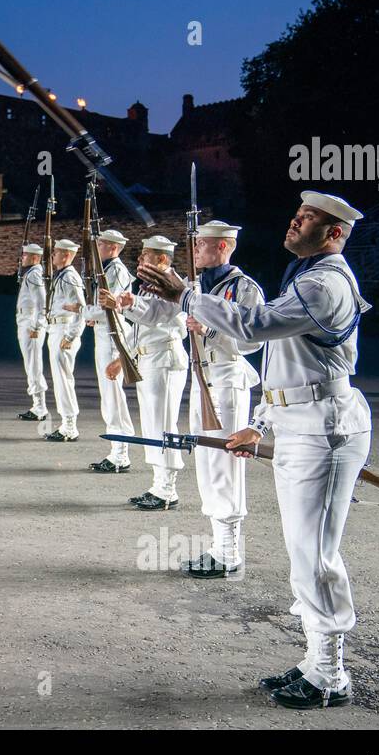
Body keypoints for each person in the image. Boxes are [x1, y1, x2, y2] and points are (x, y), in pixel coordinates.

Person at [135, 192, 371, 710]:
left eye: (307, 217)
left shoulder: (324, 282)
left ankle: (331, 673)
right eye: (298, 211)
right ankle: (317, 660)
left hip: (323, 429)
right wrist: (260, 425)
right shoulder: (307, 278)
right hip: (301, 422)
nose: (295, 218)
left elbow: (254, 328)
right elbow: (286, 366)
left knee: (315, 556)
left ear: (333, 233)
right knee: (304, 552)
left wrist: (184, 295)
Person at [118, 222, 263, 574]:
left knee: (224, 465)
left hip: (227, 379)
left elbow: (254, 339)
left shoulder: (244, 288)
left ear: (225, 247)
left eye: (203, 246)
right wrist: (130, 304)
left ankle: (229, 553)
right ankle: (219, 546)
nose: (195, 251)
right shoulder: (194, 287)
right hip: (203, 380)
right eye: (195, 245)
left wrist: (211, 329)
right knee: (208, 466)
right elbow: (159, 313)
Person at [113, 235, 187, 508]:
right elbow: (141, 328)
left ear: (163, 259)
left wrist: (129, 303)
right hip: (149, 360)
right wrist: (123, 357)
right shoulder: (149, 287)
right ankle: (158, 485)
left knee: (163, 424)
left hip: (165, 360)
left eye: (146, 255)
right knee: (153, 425)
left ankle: (167, 490)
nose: (141, 259)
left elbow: (157, 315)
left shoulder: (174, 286)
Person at [83, 229, 135, 473]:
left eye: (101, 244)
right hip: (104, 332)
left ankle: (120, 452)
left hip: (112, 334)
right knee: (110, 395)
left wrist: (83, 312)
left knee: (112, 395)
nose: (97, 248)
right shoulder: (108, 269)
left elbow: (107, 305)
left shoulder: (115, 270)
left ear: (113, 247)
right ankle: (118, 449)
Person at [43, 238, 85, 441]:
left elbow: (80, 307)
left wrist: (71, 335)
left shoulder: (70, 277)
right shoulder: (63, 275)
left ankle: (69, 425)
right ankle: (67, 422)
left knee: (63, 380)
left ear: (66, 255)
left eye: (56, 252)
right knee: (61, 379)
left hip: (64, 328)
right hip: (57, 327)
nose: (52, 256)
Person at [15, 242, 49, 421]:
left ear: (35, 258)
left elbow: (41, 302)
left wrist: (36, 325)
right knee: (31, 364)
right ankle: (38, 405)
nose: (22, 258)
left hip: (30, 323)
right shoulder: (31, 274)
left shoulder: (34, 274)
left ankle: (40, 407)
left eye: (25, 255)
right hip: (26, 320)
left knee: (33, 365)